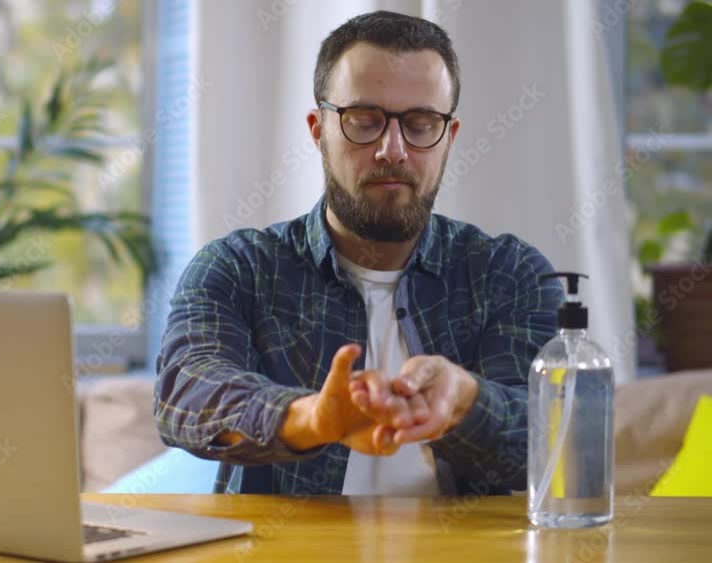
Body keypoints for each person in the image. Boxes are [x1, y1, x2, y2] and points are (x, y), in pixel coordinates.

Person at [154, 10, 563, 496]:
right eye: (364, 121)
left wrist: (466, 402)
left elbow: (551, 442)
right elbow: (188, 392)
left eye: (421, 123)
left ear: (448, 137)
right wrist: (312, 418)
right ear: (317, 129)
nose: (393, 149)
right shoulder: (239, 268)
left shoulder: (508, 273)